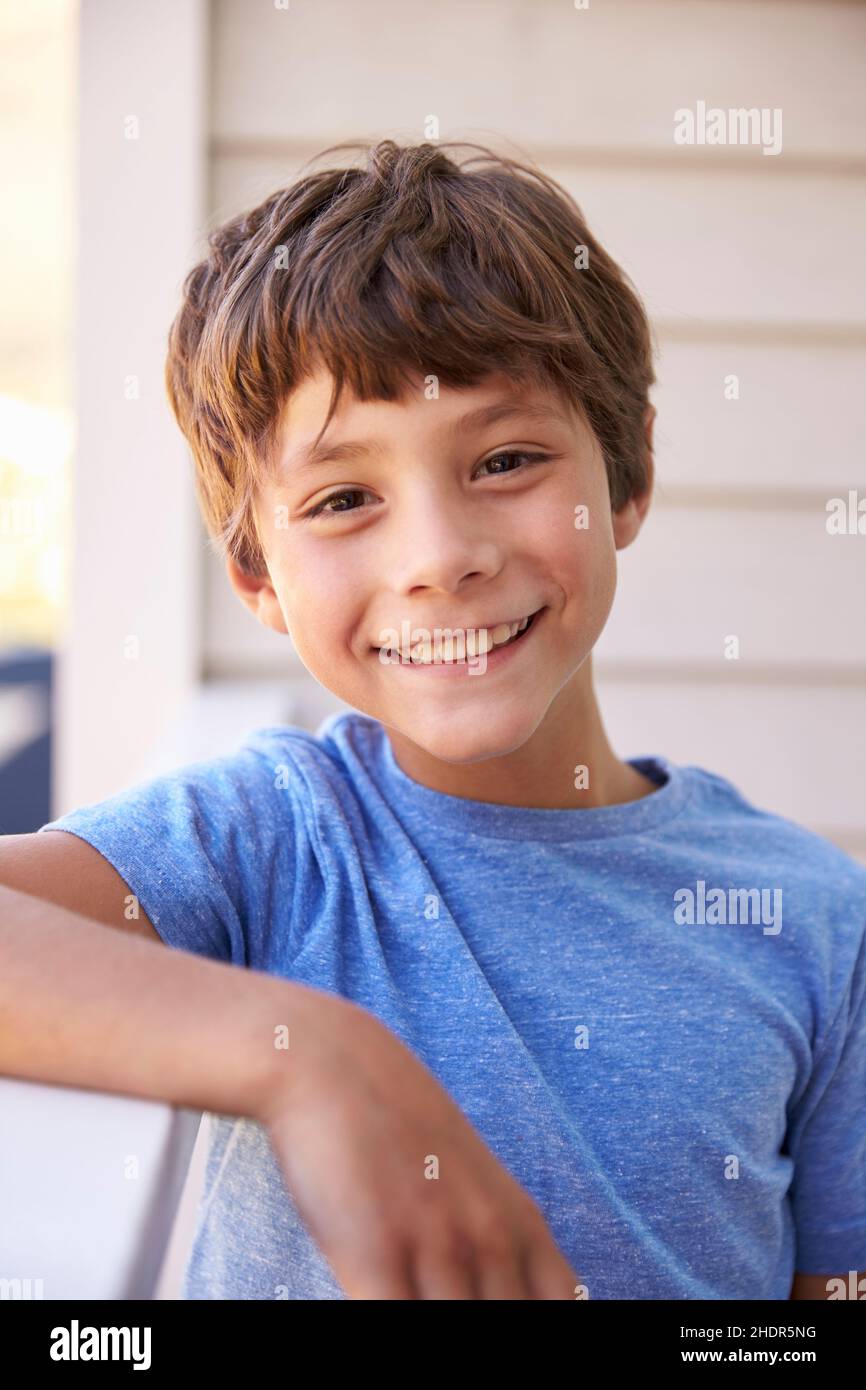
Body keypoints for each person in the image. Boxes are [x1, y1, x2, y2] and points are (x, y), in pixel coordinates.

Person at [2, 140, 864, 1300]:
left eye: (504, 459)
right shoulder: (270, 841)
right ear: (257, 574)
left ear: (624, 472)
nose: (439, 559)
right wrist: (306, 1057)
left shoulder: (815, 920)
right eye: (344, 497)